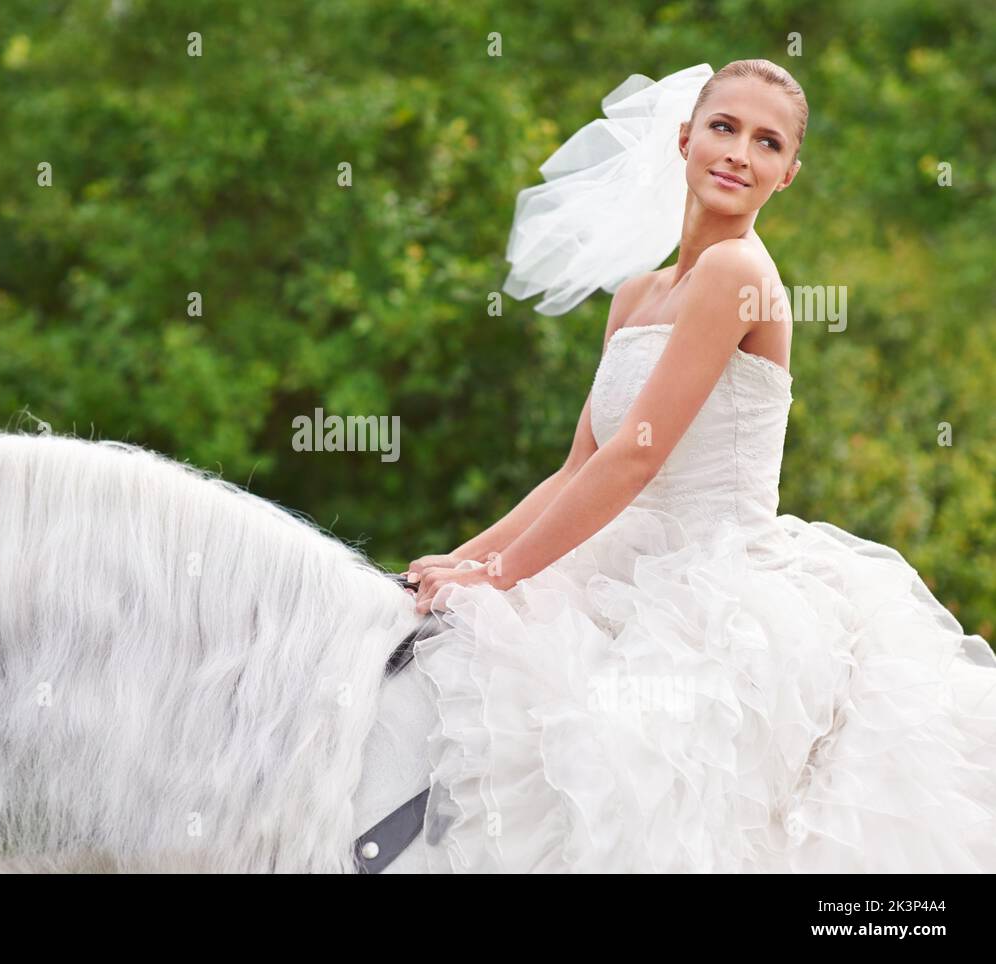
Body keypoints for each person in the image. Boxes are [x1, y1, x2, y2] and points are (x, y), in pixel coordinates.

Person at [404, 59, 996, 873]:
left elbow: (636, 462)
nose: (739, 154)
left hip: (715, 590)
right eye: (723, 128)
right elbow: (578, 467)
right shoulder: (635, 297)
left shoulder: (737, 274)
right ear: (685, 138)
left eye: (767, 142)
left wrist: (500, 576)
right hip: (626, 569)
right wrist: (469, 558)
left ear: (788, 174)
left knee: (636, 790)